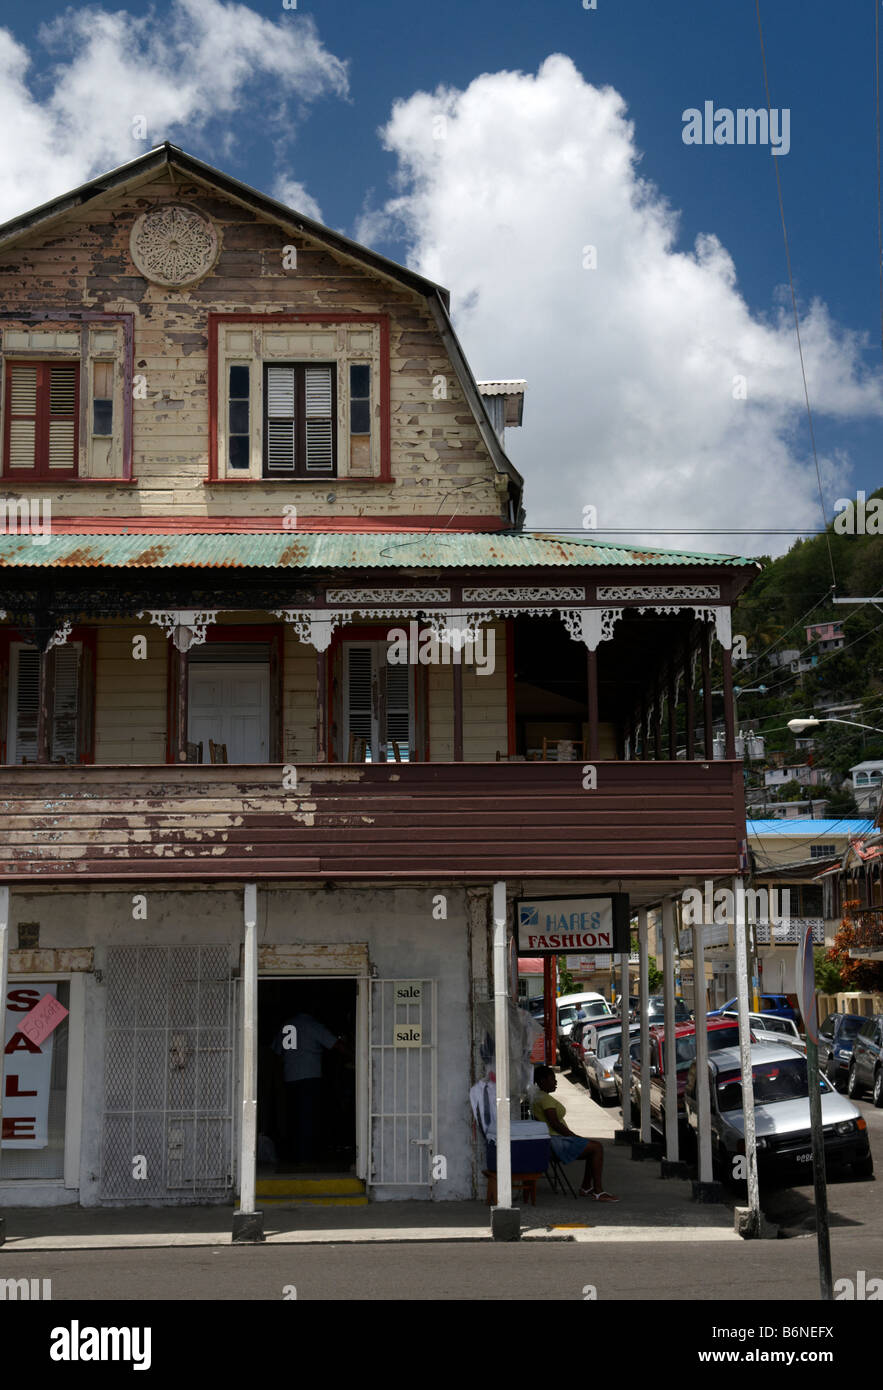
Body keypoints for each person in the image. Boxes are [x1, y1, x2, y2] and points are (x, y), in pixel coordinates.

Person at [531, 1064, 619, 1202]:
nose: (556, 1082)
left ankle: (586, 1187)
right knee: (597, 1148)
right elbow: (555, 1124)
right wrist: (573, 1136)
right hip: (556, 1141)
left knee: (593, 1147)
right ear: (542, 1081)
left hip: (550, 1140)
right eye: (552, 1079)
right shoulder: (545, 1099)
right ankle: (598, 1191)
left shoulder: (538, 1097)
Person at [272, 1009, 346, 1164]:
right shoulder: (312, 1025)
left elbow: (277, 1052)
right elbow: (335, 1044)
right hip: (309, 1077)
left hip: (289, 1077)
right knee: (308, 1118)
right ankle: (306, 1157)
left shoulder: (287, 1025)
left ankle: (295, 1154)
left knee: (294, 1117)